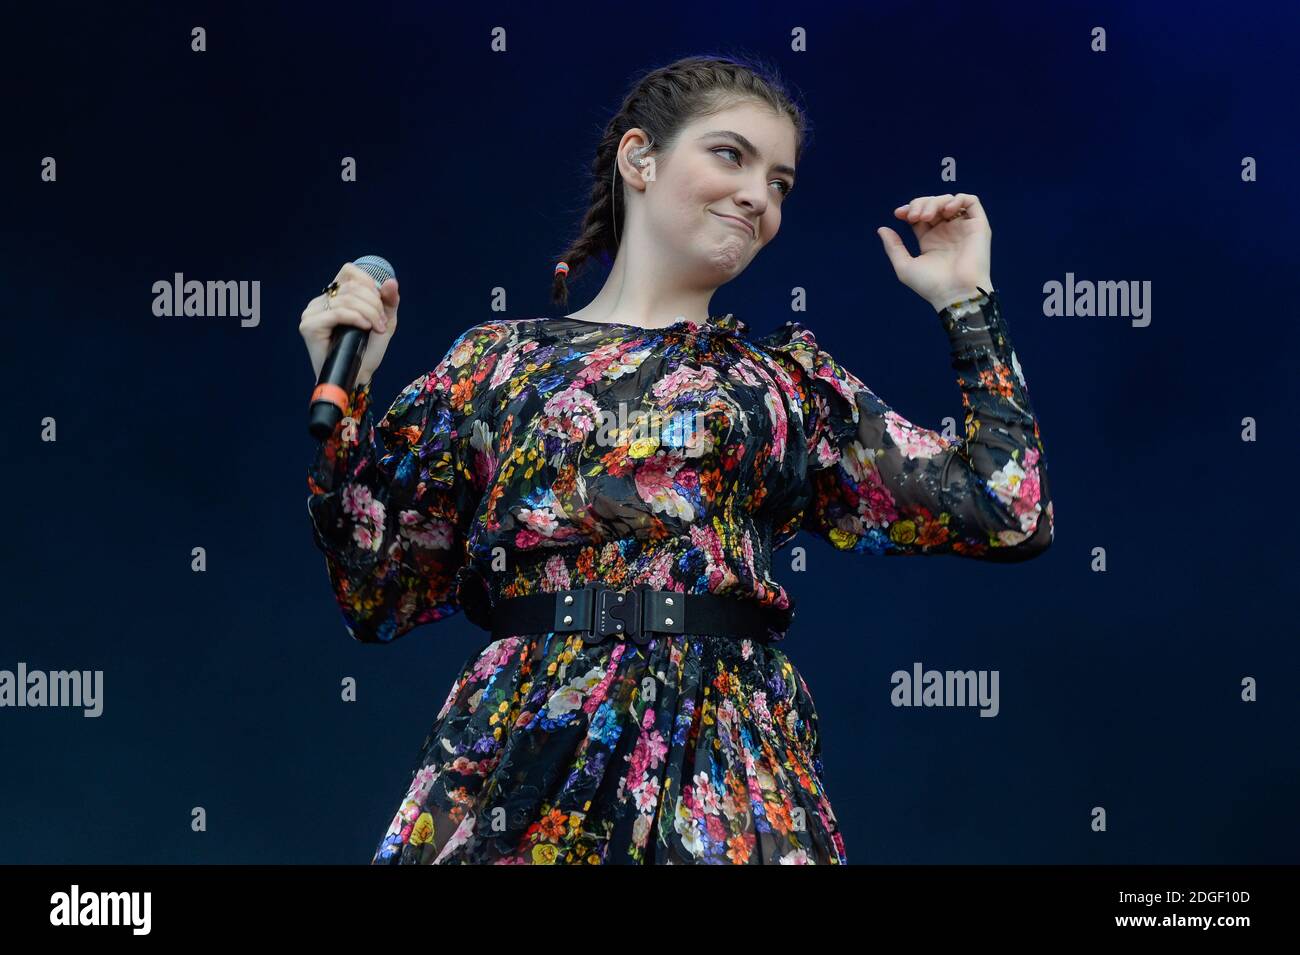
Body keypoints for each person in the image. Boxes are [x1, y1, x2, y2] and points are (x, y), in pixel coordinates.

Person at [300, 54, 1053, 865]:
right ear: (640, 158)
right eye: (731, 155)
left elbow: (1007, 512)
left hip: (725, 759)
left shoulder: (783, 385)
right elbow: (377, 593)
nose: (758, 196)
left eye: (781, 183)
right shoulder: (495, 363)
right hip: (525, 755)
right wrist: (350, 393)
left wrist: (965, 303)